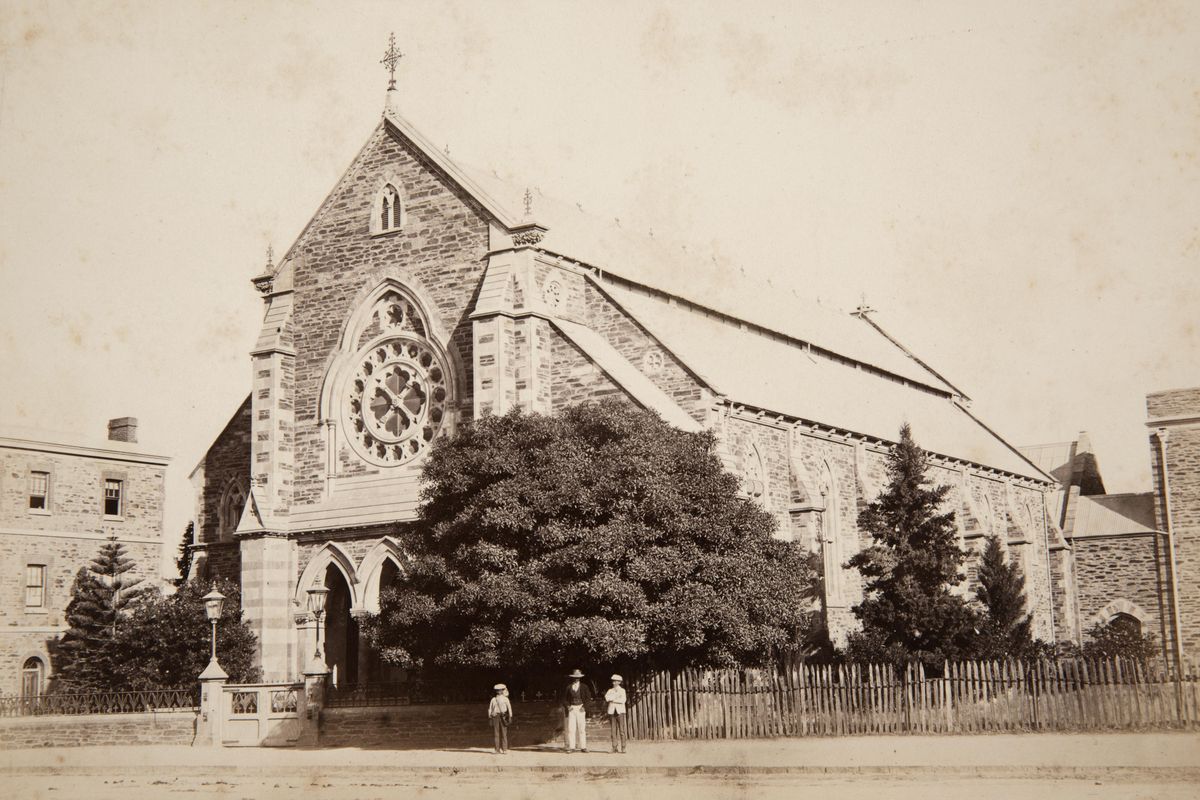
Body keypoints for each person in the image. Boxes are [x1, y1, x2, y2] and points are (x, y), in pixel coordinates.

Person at [560, 668, 593, 752]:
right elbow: (564, 699)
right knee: (571, 728)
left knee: (582, 728)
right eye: (575, 677)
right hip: (572, 709)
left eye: (578, 677)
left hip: (581, 708)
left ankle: (583, 747)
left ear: (580, 678)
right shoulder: (569, 687)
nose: (576, 679)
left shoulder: (584, 687)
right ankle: (572, 747)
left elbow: (588, 699)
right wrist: (568, 706)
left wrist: (584, 707)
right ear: (572, 677)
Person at [604, 674, 627, 753]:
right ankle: (614, 747)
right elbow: (607, 698)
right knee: (613, 731)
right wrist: (616, 698)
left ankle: (623, 747)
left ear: (619, 682)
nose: (614, 682)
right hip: (612, 712)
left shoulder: (622, 690)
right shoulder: (610, 690)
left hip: (620, 712)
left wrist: (613, 699)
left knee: (622, 730)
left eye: (616, 681)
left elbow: (623, 700)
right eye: (613, 681)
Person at [488, 682, 513, 754]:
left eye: (500, 690)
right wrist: (490, 717)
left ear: (503, 690)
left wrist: (510, 716)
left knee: (504, 733)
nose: (499, 691)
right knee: (496, 733)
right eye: (497, 690)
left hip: (503, 716)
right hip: (495, 716)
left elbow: (509, 708)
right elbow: (490, 709)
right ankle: (497, 749)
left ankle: (504, 749)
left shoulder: (505, 699)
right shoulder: (493, 699)